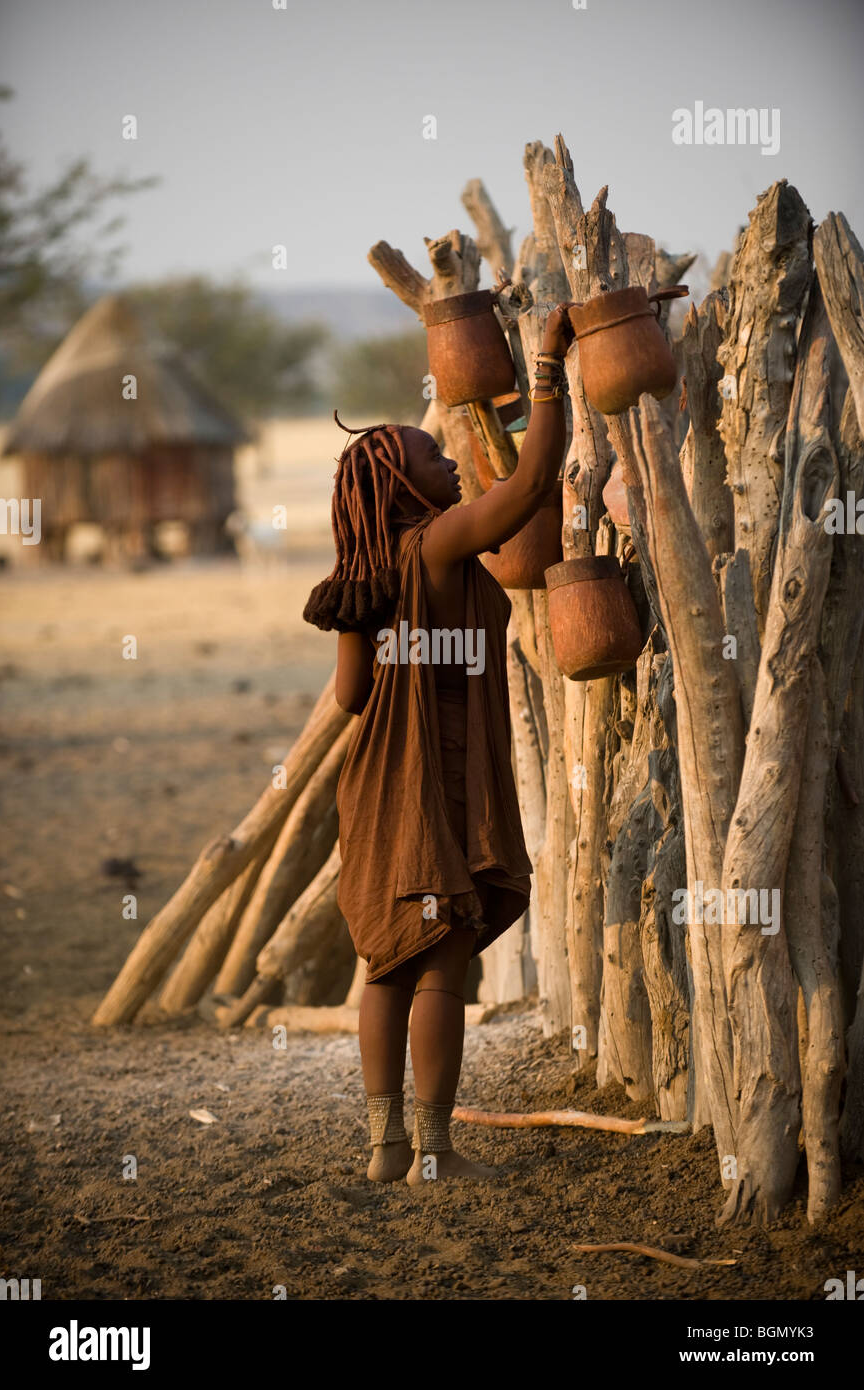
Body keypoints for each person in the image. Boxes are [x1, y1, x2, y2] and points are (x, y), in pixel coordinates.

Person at [303, 303, 574, 1184]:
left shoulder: (361, 576)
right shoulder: (435, 545)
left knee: (387, 960)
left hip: (373, 785)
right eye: (432, 456)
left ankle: (384, 1150)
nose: (449, 456)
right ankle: (437, 1150)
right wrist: (546, 365)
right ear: (403, 488)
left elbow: (350, 697)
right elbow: (531, 488)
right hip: (436, 781)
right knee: (441, 958)